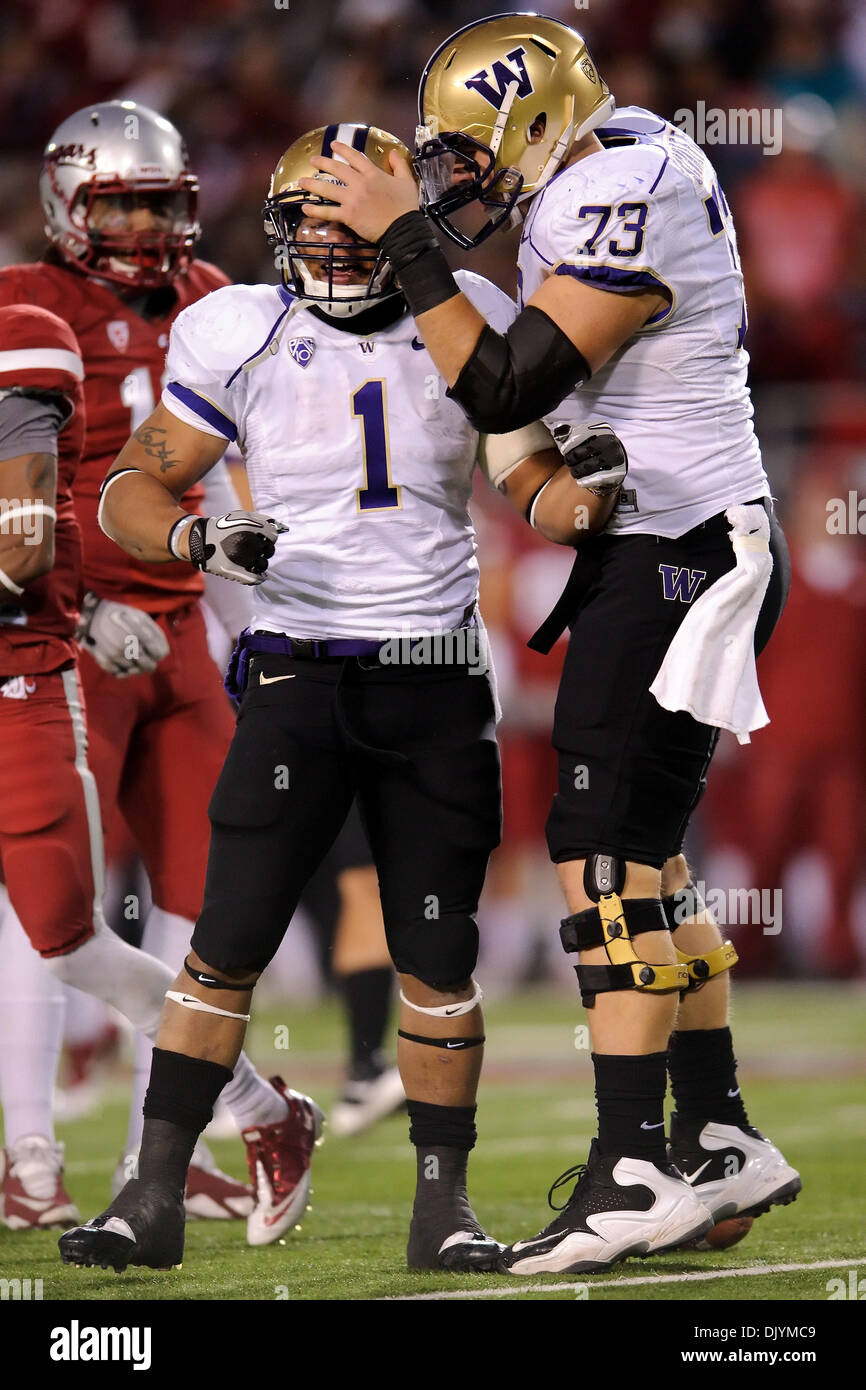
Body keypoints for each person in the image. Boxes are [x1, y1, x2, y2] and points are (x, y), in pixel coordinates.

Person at [58, 121, 622, 1274]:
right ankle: (150, 1198)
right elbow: (128, 485)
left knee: (435, 955)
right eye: (309, 216)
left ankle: (441, 1208)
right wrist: (194, 535)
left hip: (432, 682)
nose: (329, 236)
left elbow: (525, 475)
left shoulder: (454, 305)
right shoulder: (236, 327)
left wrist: (588, 503)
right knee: (225, 946)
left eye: (348, 213)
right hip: (296, 672)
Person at [298, 14, 803, 1273]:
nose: (455, 176)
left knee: (595, 852)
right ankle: (716, 1133)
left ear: (532, 124)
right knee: (641, 851)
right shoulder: (619, 160)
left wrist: (408, 245)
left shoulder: (614, 183)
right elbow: (531, 424)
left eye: (466, 151)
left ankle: (631, 1160)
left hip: (677, 550)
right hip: (683, 539)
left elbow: (504, 389)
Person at [0, 103, 321, 1246]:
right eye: (120, 201)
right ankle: (28, 1150)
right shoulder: (31, 306)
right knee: (51, 902)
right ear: (68, 203)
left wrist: (254, 625)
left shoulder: (211, 300)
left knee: (204, 905)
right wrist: (77, 605)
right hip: (62, 629)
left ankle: (160, 1152)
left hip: (183, 628)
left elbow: (231, 481)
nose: (143, 223)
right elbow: (25, 498)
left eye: (159, 200)